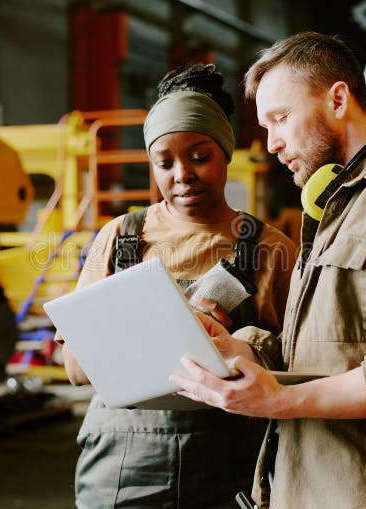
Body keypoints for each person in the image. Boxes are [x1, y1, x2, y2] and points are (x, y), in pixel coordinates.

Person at [170, 32, 366, 509]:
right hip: (313, 485)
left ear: (338, 99)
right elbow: (328, 350)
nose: (272, 143)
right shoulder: (335, 207)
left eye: (280, 118)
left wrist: (275, 399)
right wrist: (238, 349)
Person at [56, 63, 297, 508]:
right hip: (121, 468)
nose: (182, 174)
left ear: (226, 152)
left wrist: (241, 343)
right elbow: (74, 368)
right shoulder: (120, 238)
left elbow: (299, 360)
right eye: (164, 163)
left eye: (199, 156)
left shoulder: (271, 250)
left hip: (230, 466)